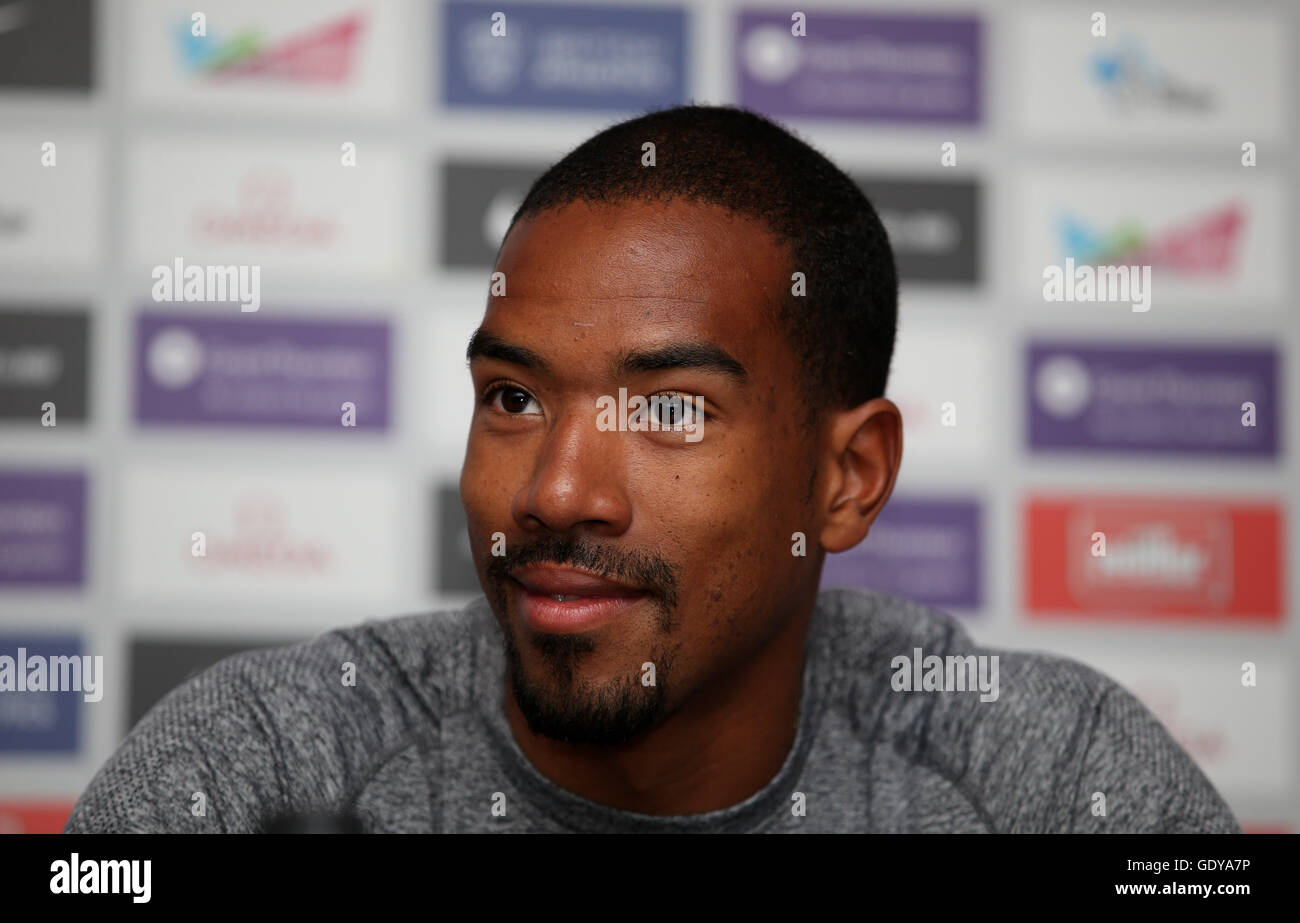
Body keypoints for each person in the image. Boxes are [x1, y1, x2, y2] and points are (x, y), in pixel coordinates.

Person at [65, 105, 1239, 833]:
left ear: (848, 477)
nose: (557, 491)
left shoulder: (1047, 774)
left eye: (669, 407)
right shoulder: (270, 760)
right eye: (513, 399)